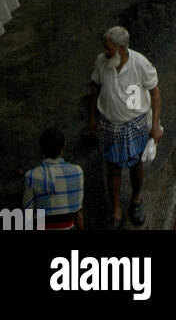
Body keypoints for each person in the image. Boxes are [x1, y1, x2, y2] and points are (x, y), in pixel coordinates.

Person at [89, 27, 161, 229]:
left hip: (135, 124)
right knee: (113, 168)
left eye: (108, 48)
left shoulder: (140, 64)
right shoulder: (102, 62)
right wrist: (93, 117)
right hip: (110, 125)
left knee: (136, 164)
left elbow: (155, 92)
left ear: (121, 48)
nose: (105, 51)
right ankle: (116, 209)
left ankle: (136, 200)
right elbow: (95, 87)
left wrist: (155, 125)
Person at [23, 127, 84, 231]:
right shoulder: (77, 171)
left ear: (41, 148)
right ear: (64, 145)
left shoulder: (32, 175)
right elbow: (78, 210)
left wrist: (29, 179)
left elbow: (28, 212)